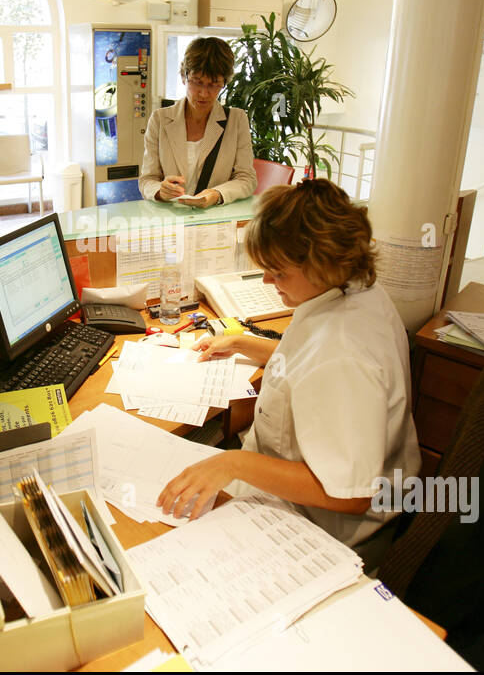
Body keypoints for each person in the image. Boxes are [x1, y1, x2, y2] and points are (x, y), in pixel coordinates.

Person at [155, 180, 421, 571]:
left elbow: (350, 494)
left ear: (322, 263)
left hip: (325, 529)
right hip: (304, 491)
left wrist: (233, 466)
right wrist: (245, 342)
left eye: (277, 273)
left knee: (168, 546)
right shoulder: (355, 289)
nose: (267, 282)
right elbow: (311, 360)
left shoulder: (344, 354)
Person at [138, 37, 256, 207]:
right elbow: (147, 180)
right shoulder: (160, 120)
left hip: (215, 219)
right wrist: (161, 191)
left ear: (224, 83)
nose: (203, 93)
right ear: (184, 76)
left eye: (214, 84)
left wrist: (217, 194)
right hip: (172, 218)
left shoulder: (236, 120)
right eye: (197, 82)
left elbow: (247, 178)